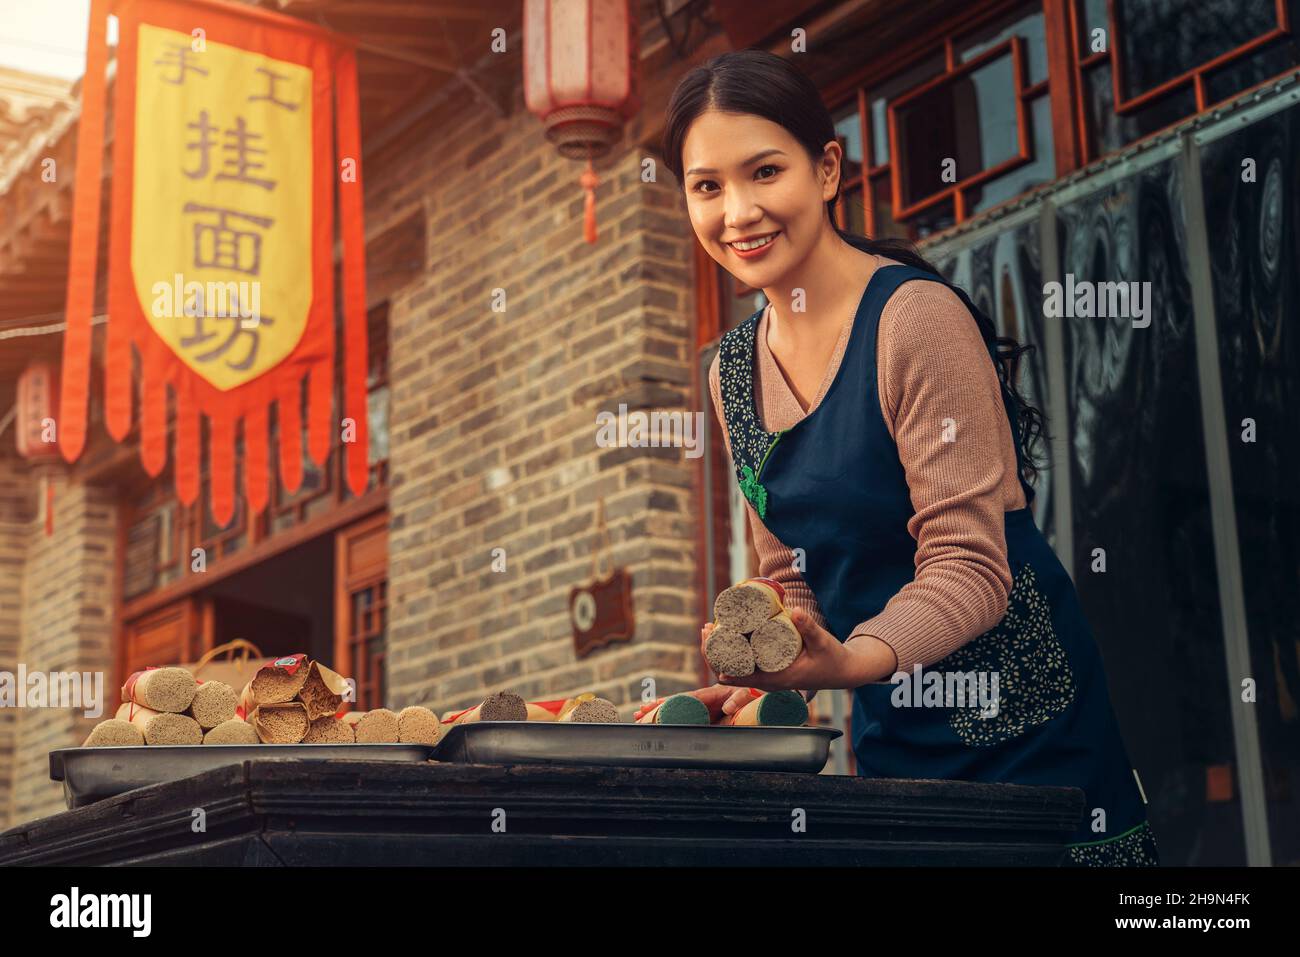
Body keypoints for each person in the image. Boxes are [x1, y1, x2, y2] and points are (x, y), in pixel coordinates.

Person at [638, 48, 1158, 866]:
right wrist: (773, 669)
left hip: (1027, 737)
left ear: (828, 170)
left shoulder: (913, 320)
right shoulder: (732, 370)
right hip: (890, 737)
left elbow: (969, 569)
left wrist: (849, 658)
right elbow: (790, 576)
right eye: (707, 186)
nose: (737, 212)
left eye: (764, 171)